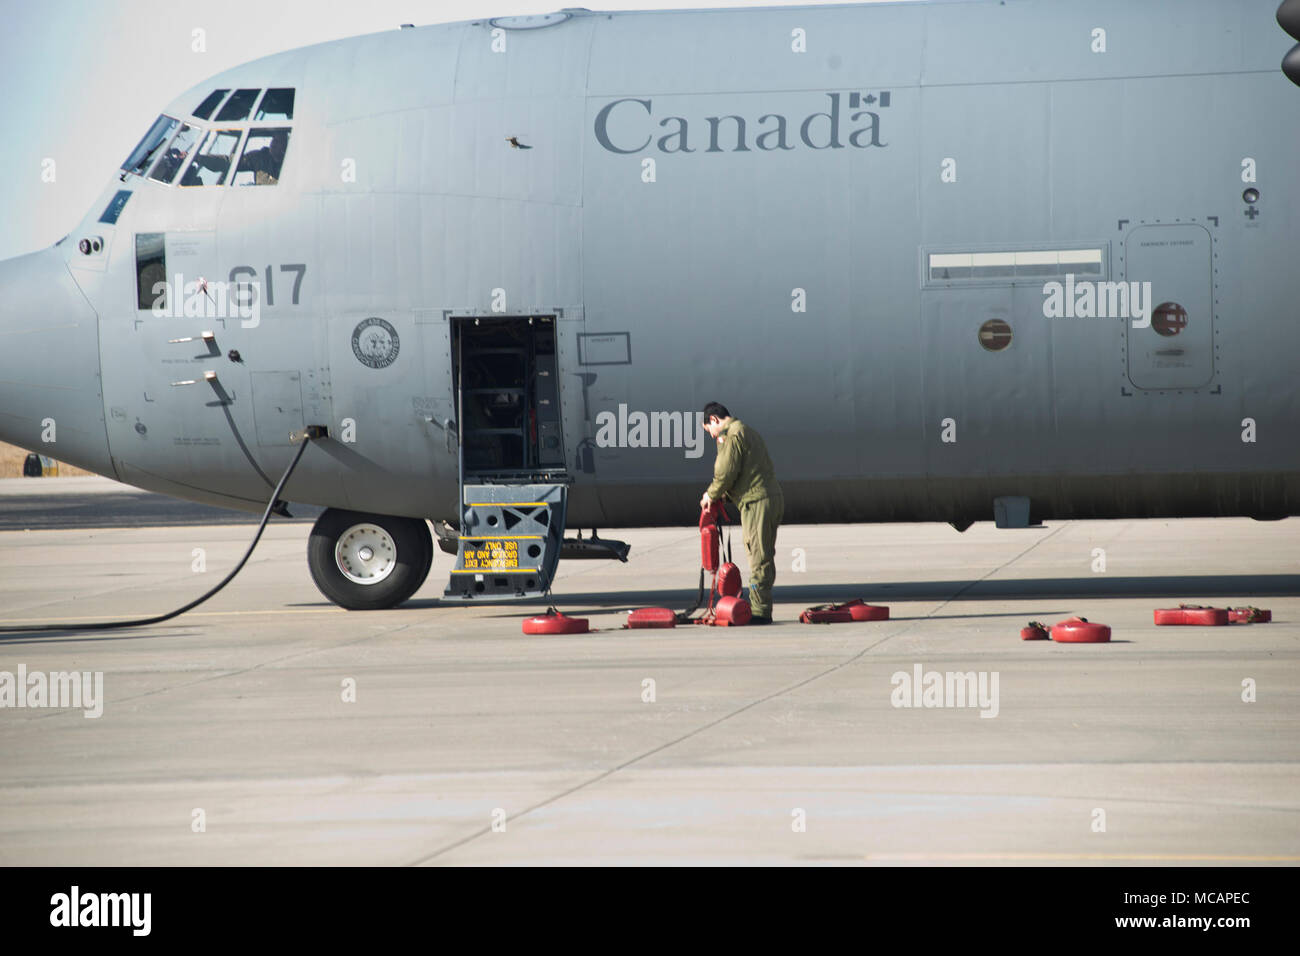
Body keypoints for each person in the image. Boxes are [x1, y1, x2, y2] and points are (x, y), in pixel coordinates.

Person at [699, 402, 783, 624]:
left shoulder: (733, 435)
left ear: (714, 420)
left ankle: (760, 611)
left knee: (758, 556)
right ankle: (760, 606)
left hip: (757, 502)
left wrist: (711, 494)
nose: (711, 436)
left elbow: (725, 472)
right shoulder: (745, 431)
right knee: (761, 553)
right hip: (764, 498)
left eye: (709, 431)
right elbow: (746, 471)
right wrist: (725, 497)